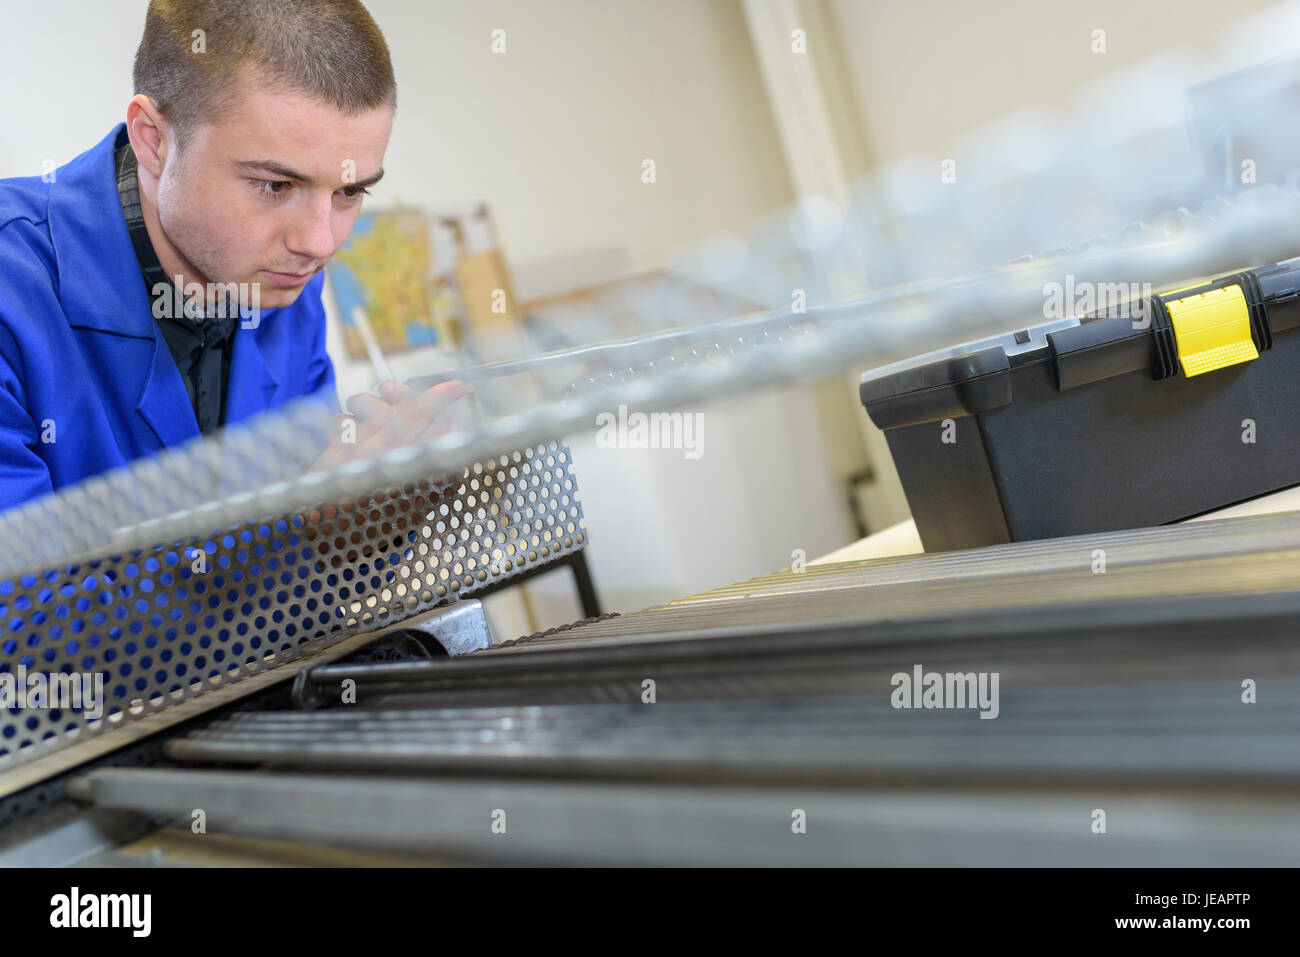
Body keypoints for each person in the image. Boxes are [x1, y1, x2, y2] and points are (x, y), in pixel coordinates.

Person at [0, 0, 467, 513]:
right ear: (152, 140)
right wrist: (306, 534)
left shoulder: (283, 279)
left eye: (350, 192)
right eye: (274, 184)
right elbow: (26, 593)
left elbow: (314, 563)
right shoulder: (14, 287)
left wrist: (364, 528)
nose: (320, 244)